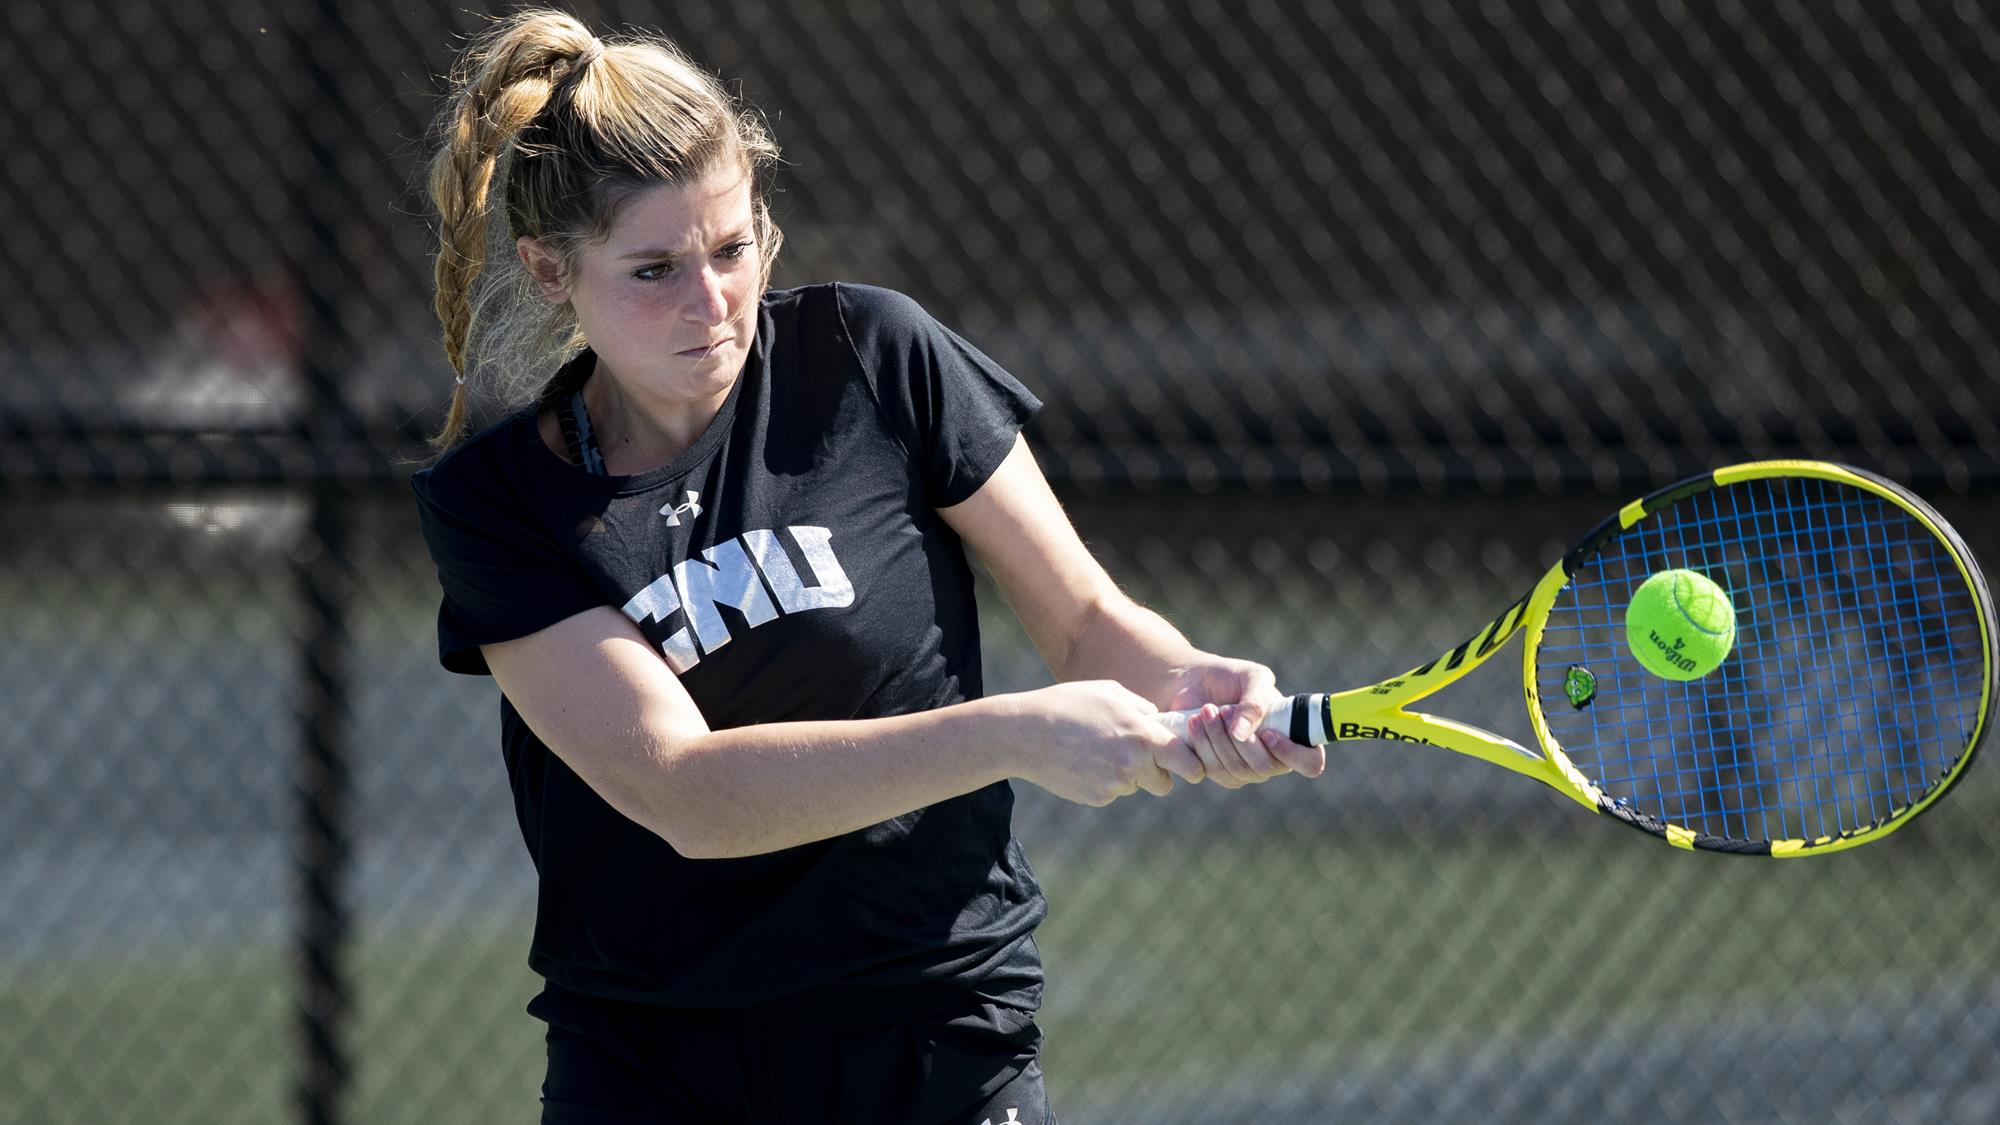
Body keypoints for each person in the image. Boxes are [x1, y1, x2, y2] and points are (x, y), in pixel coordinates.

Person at [410, 10, 1324, 1123]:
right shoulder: (498, 502)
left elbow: (1085, 619)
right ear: (552, 270)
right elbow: (686, 791)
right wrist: (1017, 734)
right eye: (654, 269)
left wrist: (1187, 681)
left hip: (937, 1027)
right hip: (654, 1061)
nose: (713, 302)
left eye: (732, 248)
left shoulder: (874, 356)